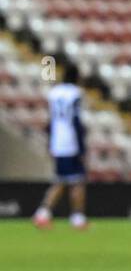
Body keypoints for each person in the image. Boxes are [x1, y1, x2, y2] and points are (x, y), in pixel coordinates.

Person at [32, 62, 88, 230]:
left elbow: (50, 122)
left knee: (61, 181)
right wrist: (82, 146)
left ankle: (43, 214)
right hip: (70, 143)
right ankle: (77, 218)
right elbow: (76, 121)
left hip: (57, 142)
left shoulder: (54, 93)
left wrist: (50, 143)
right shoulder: (75, 94)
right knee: (76, 181)